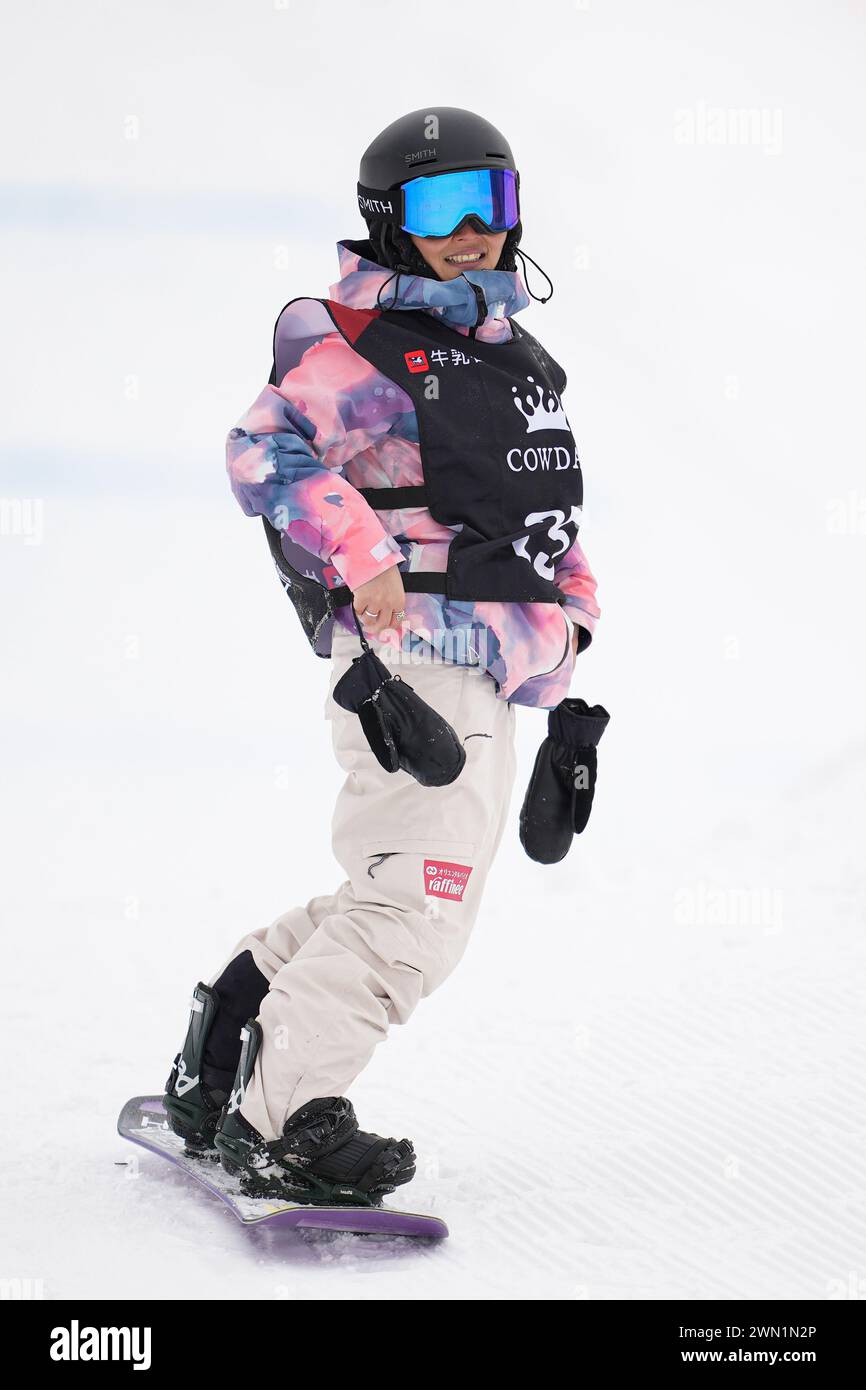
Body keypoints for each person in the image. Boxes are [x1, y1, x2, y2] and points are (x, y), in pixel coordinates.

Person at [163, 106, 600, 1207]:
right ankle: (284, 1120)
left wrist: (572, 642)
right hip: (414, 665)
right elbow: (259, 447)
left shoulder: (509, 359)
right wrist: (358, 551)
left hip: (488, 672)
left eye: (487, 205)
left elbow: (538, 523)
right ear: (387, 222)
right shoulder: (355, 347)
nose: (469, 234)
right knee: (416, 908)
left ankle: (228, 1040)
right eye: (438, 208)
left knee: (395, 890)